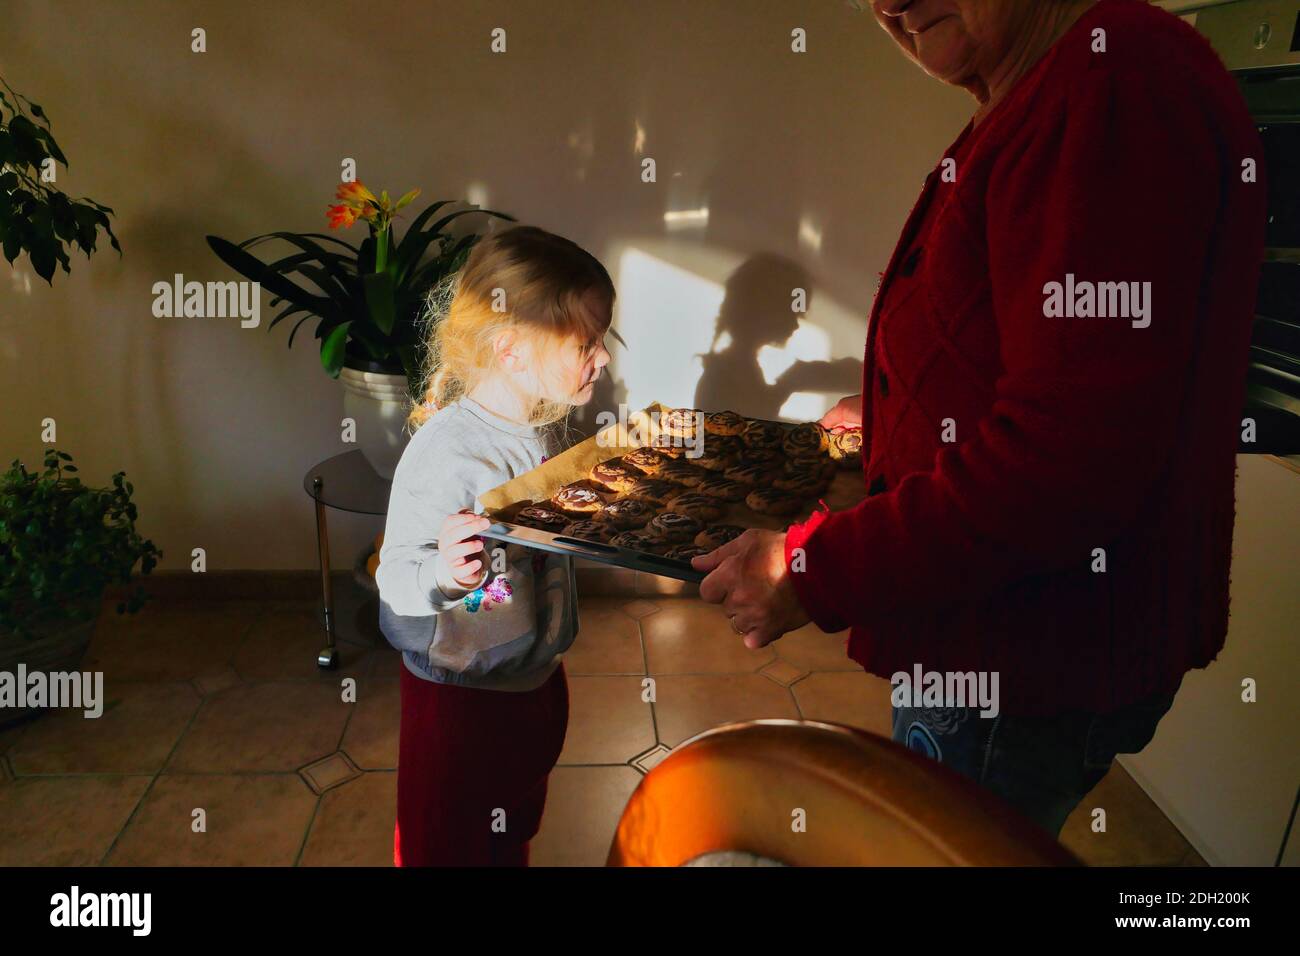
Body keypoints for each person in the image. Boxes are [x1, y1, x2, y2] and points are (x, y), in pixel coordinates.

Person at [694, 0, 1266, 835]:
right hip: (997, 636)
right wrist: (893, 418)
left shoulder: (1109, 83)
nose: (887, 2)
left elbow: (1064, 463)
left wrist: (812, 570)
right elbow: (1034, 364)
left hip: (1018, 654)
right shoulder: (1044, 91)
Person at [377, 225, 614, 864]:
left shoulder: (535, 434)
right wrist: (443, 574)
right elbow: (394, 575)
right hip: (458, 711)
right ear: (511, 350)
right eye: (589, 342)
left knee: (506, 841)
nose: (605, 357)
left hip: (529, 684)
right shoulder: (447, 452)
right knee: (447, 851)